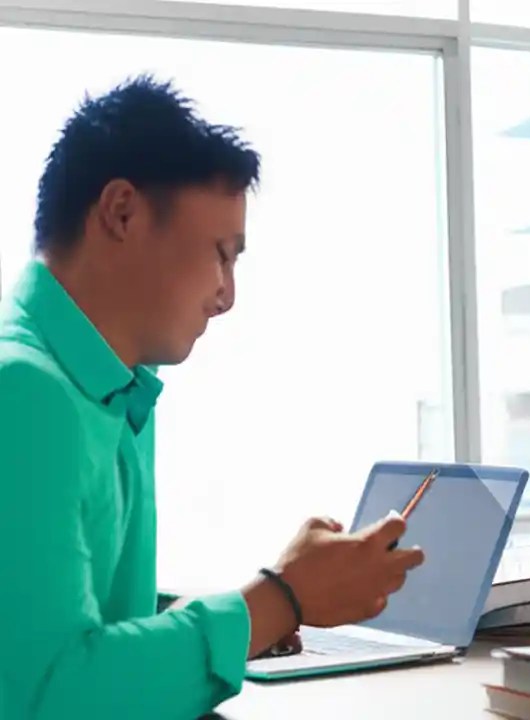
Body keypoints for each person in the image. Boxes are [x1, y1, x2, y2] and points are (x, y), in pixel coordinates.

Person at [0, 76, 425, 719]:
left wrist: (259, 607)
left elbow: (82, 626)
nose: (227, 295)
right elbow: (46, 694)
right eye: (221, 255)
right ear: (121, 213)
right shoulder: (25, 394)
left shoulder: (111, 394)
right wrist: (280, 599)